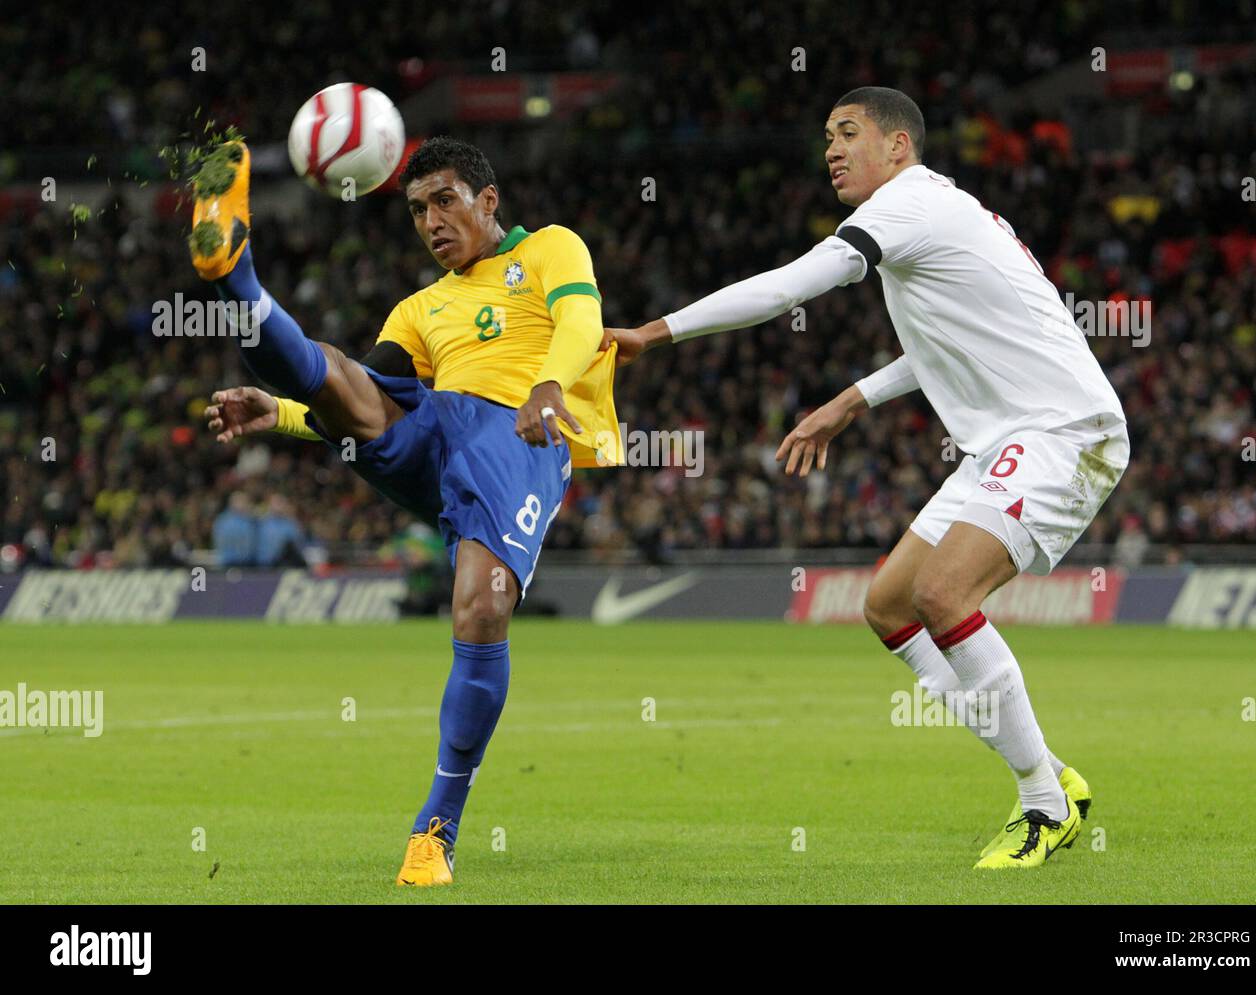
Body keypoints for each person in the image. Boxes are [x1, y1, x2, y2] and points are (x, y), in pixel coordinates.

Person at [611, 87, 1129, 869]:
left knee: (943, 595)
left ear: (898, 147)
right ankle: (1052, 773)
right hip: (1006, 439)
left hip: (1063, 429)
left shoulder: (907, 206)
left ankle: (1042, 803)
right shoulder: (940, 217)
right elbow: (950, 342)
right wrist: (850, 400)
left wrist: (655, 331)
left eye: (848, 132)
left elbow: (789, 285)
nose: (831, 149)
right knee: (889, 606)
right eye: (826, 135)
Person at [192, 136, 622, 885]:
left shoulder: (552, 249)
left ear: (488, 201)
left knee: (479, 611)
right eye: (418, 209)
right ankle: (237, 277)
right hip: (434, 428)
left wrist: (549, 385)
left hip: (517, 431)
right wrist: (283, 413)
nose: (430, 221)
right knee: (335, 371)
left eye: (444, 201)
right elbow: (362, 397)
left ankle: (435, 829)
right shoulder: (420, 308)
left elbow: (583, 325)